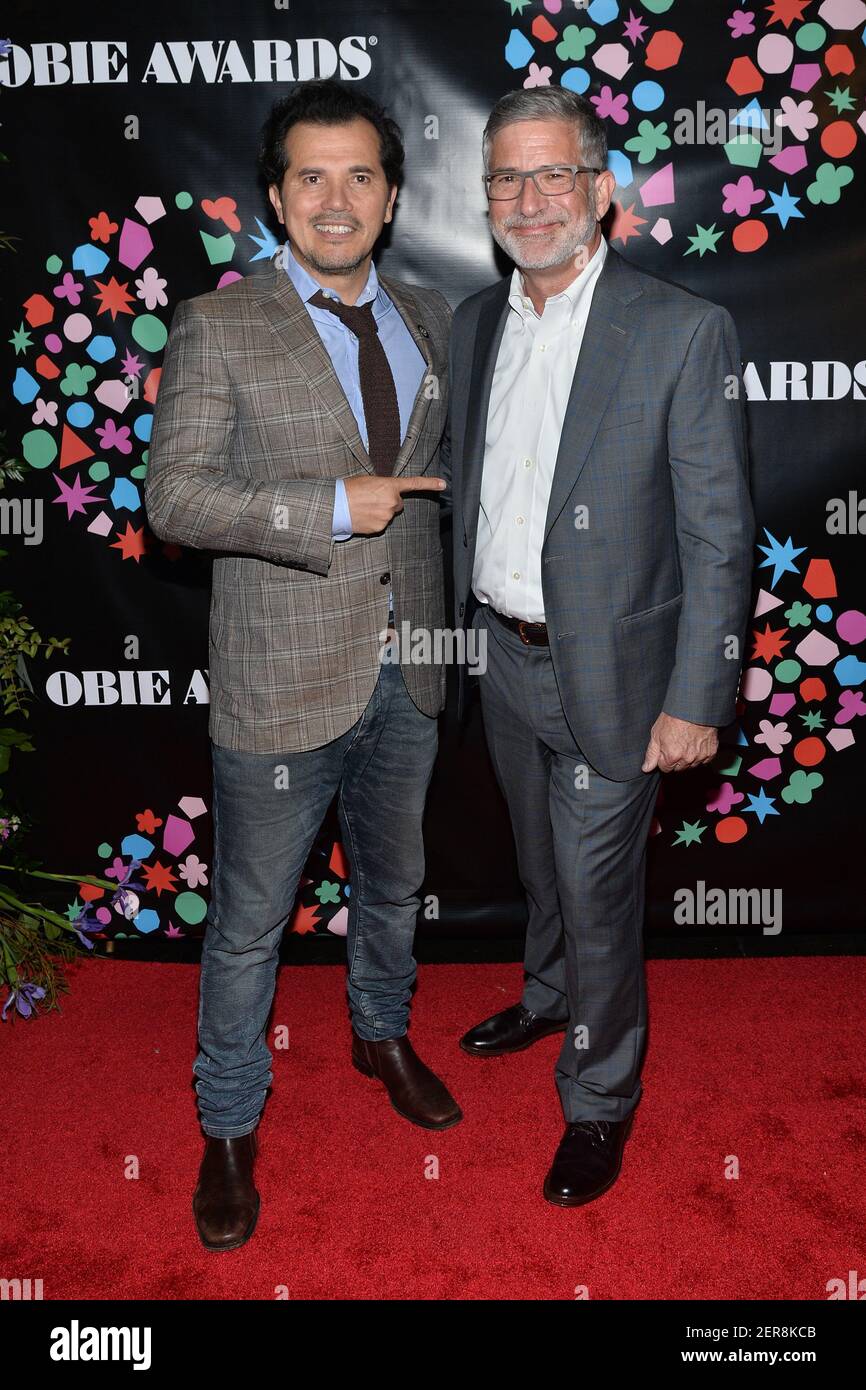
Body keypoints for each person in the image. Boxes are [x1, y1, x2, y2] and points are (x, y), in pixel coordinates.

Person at [145, 79, 458, 1254]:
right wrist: (326, 504)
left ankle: (380, 1030)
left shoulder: (430, 316)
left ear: (390, 195)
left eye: (361, 175)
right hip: (280, 678)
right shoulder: (217, 324)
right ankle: (227, 1123)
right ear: (275, 197)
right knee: (247, 925)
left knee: (390, 885)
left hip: (412, 667)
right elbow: (172, 500)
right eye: (311, 177)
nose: (337, 198)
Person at [441, 88, 756, 1207]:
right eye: (503, 180)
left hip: (621, 675)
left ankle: (598, 1099)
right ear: (482, 197)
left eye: (551, 176)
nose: (527, 202)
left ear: (600, 191)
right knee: (539, 865)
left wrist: (695, 695)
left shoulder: (678, 331)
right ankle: (543, 992)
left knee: (594, 884)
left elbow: (720, 536)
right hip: (500, 655)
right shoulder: (475, 324)